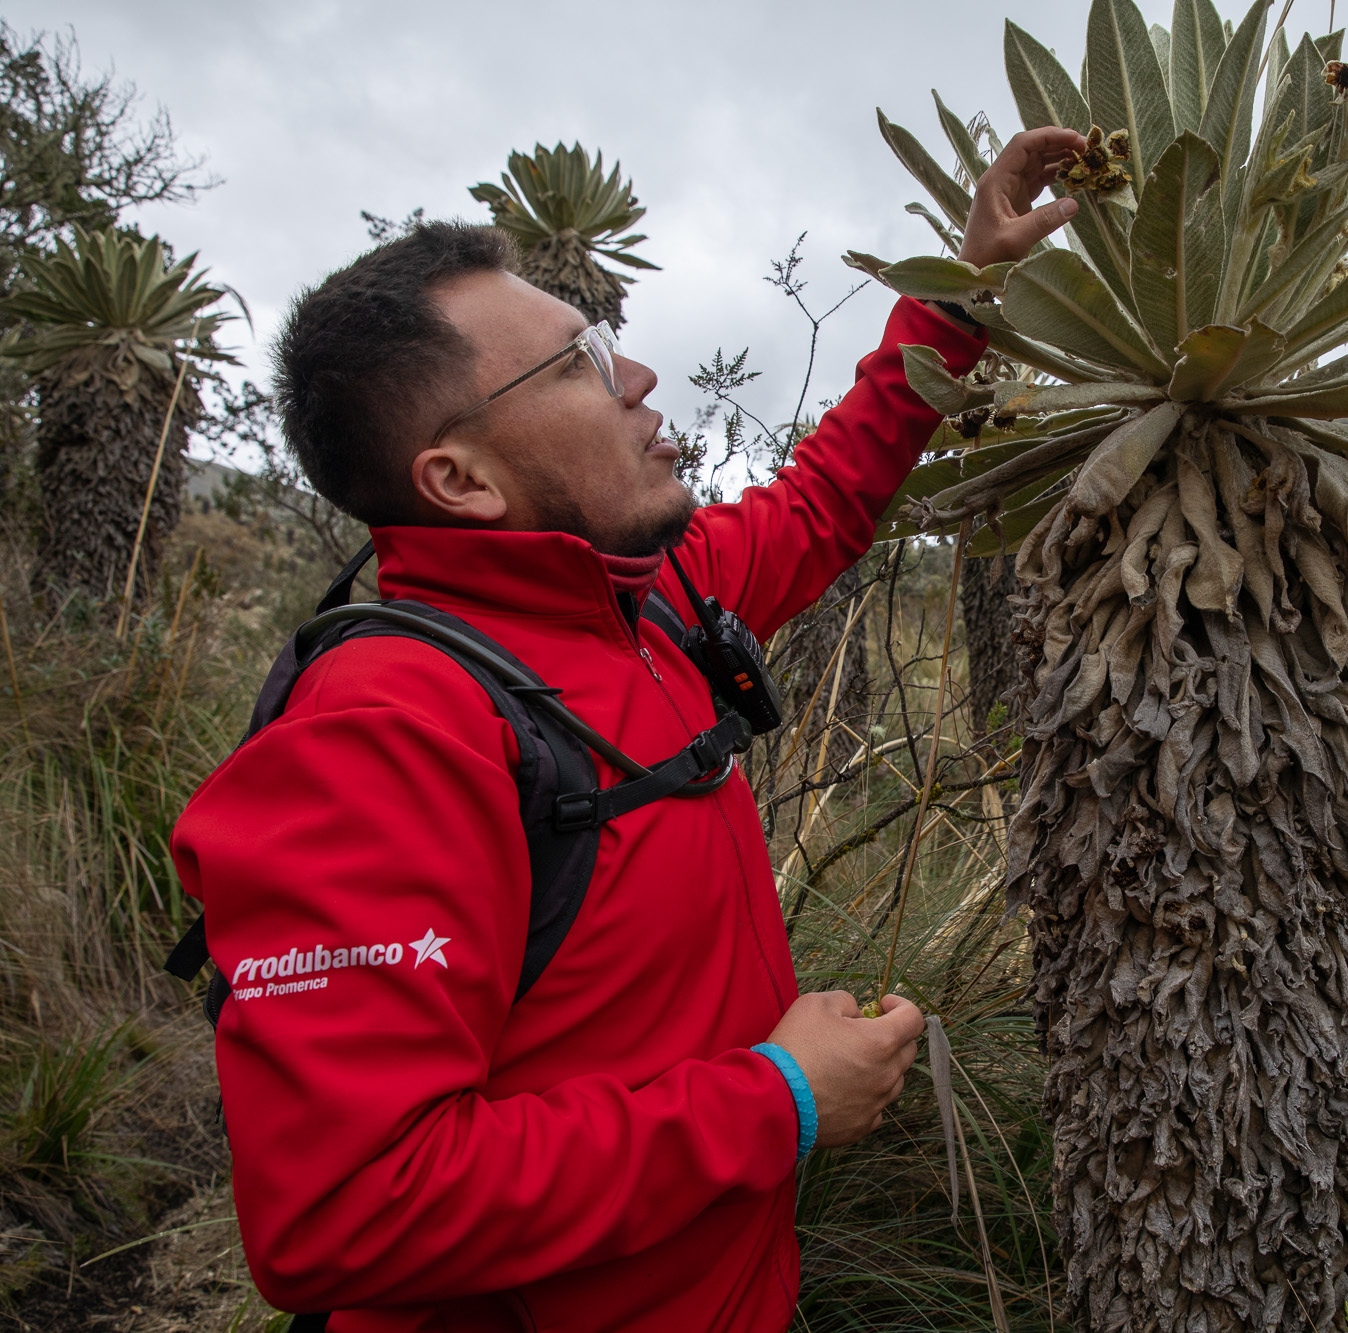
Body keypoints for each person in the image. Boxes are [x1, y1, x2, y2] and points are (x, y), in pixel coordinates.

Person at [168, 127, 1085, 1333]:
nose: (637, 378)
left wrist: (963, 294)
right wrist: (781, 1101)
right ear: (458, 481)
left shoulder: (647, 602)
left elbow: (820, 501)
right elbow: (345, 1208)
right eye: (576, 366)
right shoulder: (383, 737)